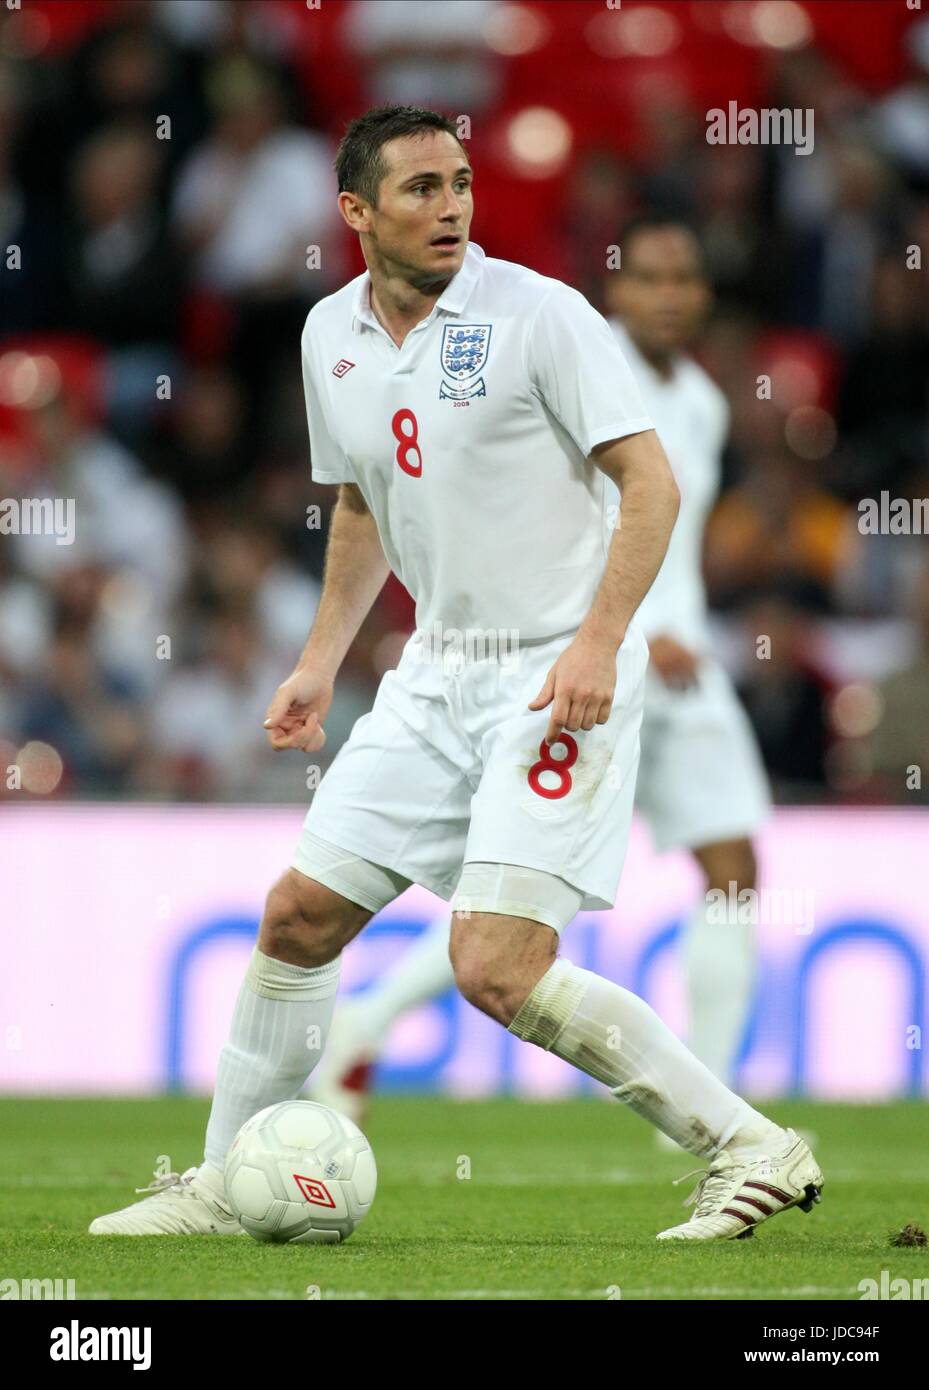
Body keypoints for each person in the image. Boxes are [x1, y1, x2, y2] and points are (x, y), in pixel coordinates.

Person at [91, 106, 822, 1242]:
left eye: (461, 184)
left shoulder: (541, 316)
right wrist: (318, 660)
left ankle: (750, 1146)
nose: (450, 208)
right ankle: (224, 1184)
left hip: (552, 672)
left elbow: (653, 486)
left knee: (493, 962)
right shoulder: (328, 333)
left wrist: (595, 642)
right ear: (355, 211)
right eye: (421, 188)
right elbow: (357, 502)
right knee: (295, 917)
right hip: (433, 673)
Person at [309, 215, 771, 1135]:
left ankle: (712, 1092)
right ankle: (366, 1022)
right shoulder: (582, 358)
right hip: (584, 649)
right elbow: (571, 517)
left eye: (685, 278)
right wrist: (625, 626)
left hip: (678, 661)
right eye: (649, 278)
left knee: (733, 866)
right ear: (618, 291)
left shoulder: (706, 400)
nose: (670, 296)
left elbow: (666, 531)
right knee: (507, 897)